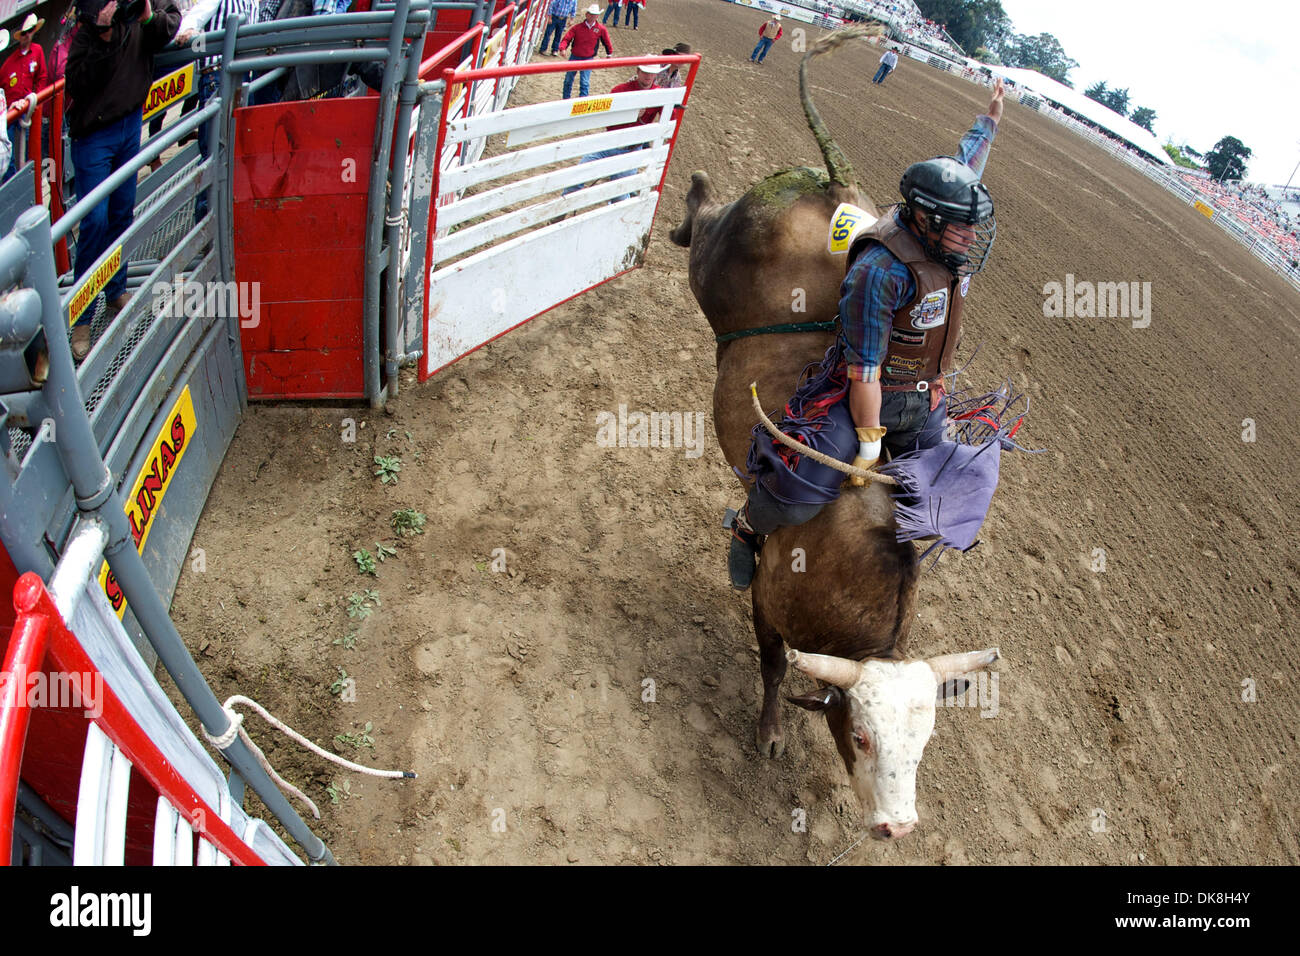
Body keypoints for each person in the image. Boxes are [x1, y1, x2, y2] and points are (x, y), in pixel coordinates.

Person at [728, 79, 1006, 589]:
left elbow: (965, 170)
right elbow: (865, 368)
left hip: (923, 394)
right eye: (961, 226)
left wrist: (989, 121)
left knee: (945, 496)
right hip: (864, 390)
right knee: (801, 490)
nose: (971, 237)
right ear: (925, 219)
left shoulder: (943, 236)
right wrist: (870, 438)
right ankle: (749, 524)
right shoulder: (880, 272)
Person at [66, 0, 182, 361]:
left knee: (121, 214)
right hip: (94, 136)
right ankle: (81, 316)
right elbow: (77, 83)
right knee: (95, 220)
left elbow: (169, 24)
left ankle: (115, 289)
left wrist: (147, 15)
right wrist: (102, 33)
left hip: (130, 123)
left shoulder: (138, 9)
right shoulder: (87, 24)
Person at [2, 14, 49, 181]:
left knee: (31, 147)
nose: (27, 35)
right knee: (9, 150)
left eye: (29, 31)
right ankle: (12, 181)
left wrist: (36, 99)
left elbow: (42, 76)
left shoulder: (37, 51)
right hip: (11, 110)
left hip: (27, 109)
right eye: (24, 33)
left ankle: (28, 179)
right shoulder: (9, 63)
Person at [558, 5, 611, 100]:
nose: (593, 16)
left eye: (595, 15)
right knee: (568, 80)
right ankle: (566, 100)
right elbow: (567, 38)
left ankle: (582, 102)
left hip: (588, 58)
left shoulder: (601, 29)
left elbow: (606, 41)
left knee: (584, 82)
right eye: (591, 14)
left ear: (597, 16)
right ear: (587, 15)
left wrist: (609, 53)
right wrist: (563, 48)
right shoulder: (577, 28)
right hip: (575, 56)